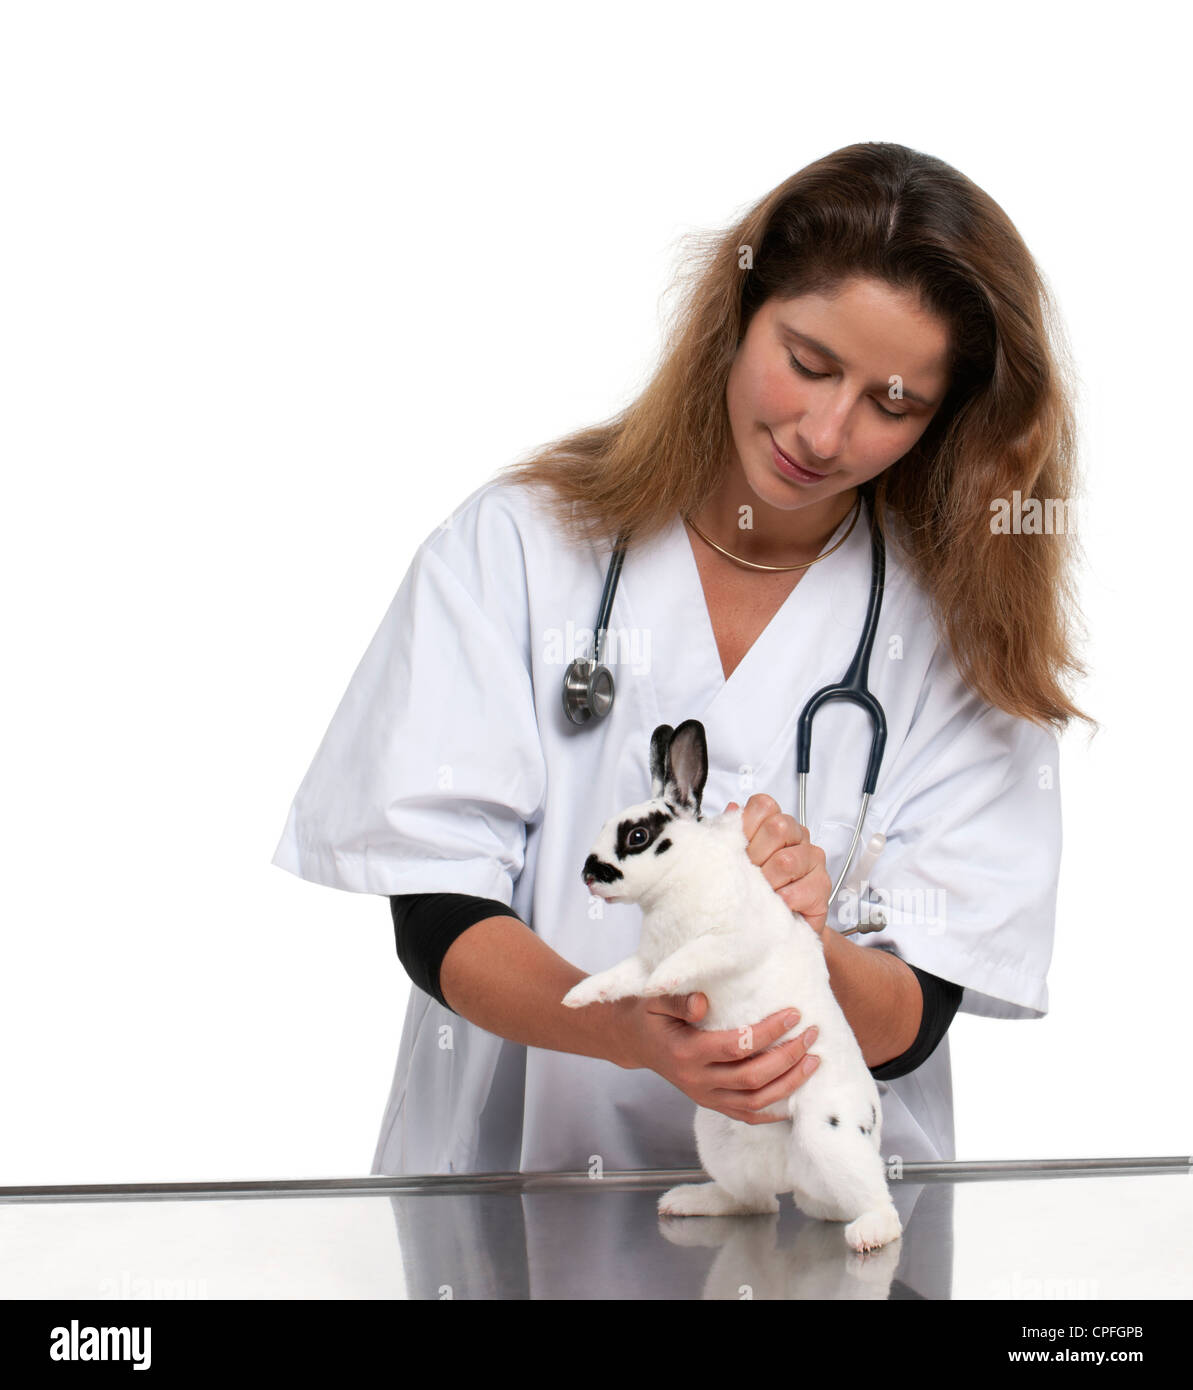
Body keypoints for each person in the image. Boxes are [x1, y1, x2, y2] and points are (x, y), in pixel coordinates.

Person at [271, 141, 1091, 1181]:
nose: (823, 430)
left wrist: (795, 936)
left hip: (823, 1225)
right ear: (734, 315)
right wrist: (628, 1031)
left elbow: (916, 1012)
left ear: (945, 420)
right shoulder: (519, 548)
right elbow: (436, 913)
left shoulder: (956, 638)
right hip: (517, 1199)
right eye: (804, 360)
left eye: (890, 404)